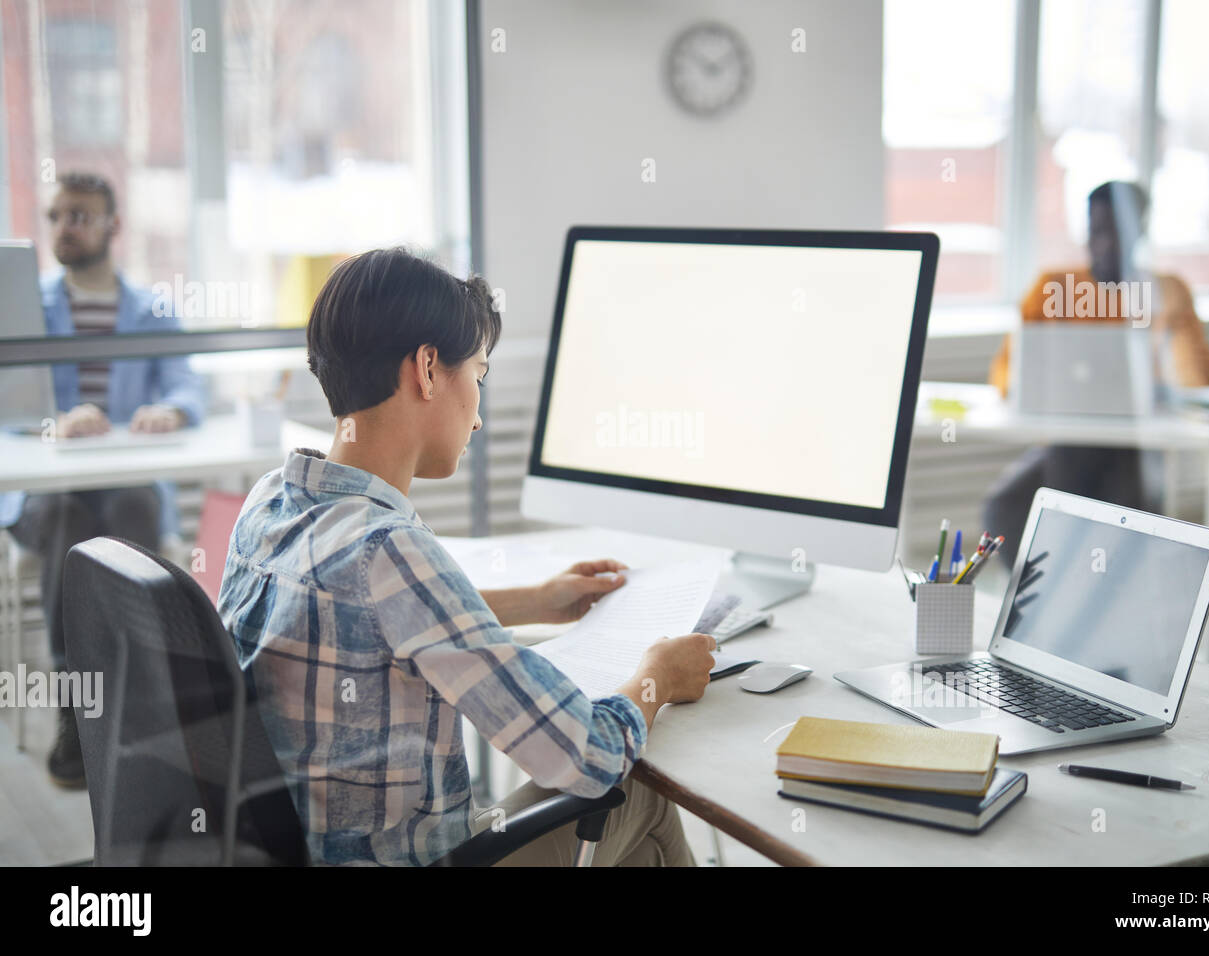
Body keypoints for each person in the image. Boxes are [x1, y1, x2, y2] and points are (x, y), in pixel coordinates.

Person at [217, 247, 713, 866]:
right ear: (427, 369)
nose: (477, 417)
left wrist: (534, 602)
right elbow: (584, 755)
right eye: (477, 376)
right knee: (634, 793)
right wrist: (657, 677)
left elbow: (362, 618)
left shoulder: (271, 504)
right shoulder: (388, 550)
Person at [0, 172, 205, 788]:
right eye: (57, 215)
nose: (65, 227)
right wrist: (51, 423)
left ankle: (138, 706)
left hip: (126, 485)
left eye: (80, 215)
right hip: (49, 493)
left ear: (113, 227)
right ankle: (76, 706)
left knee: (135, 509)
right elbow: (8, 403)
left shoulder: (150, 310)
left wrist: (172, 408)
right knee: (68, 520)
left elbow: (186, 382)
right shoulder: (25, 307)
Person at [983, 181, 1209, 565]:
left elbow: (1196, 382)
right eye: (1096, 231)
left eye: (1116, 232)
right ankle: (1046, 595)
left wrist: (1167, 331)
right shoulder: (1054, 288)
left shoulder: (1164, 291)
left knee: (1093, 513)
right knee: (1004, 509)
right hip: (1067, 441)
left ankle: (1071, 586)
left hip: (1133, 446)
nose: (1104, 244)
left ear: (1139, 231)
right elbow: (1007, 375)